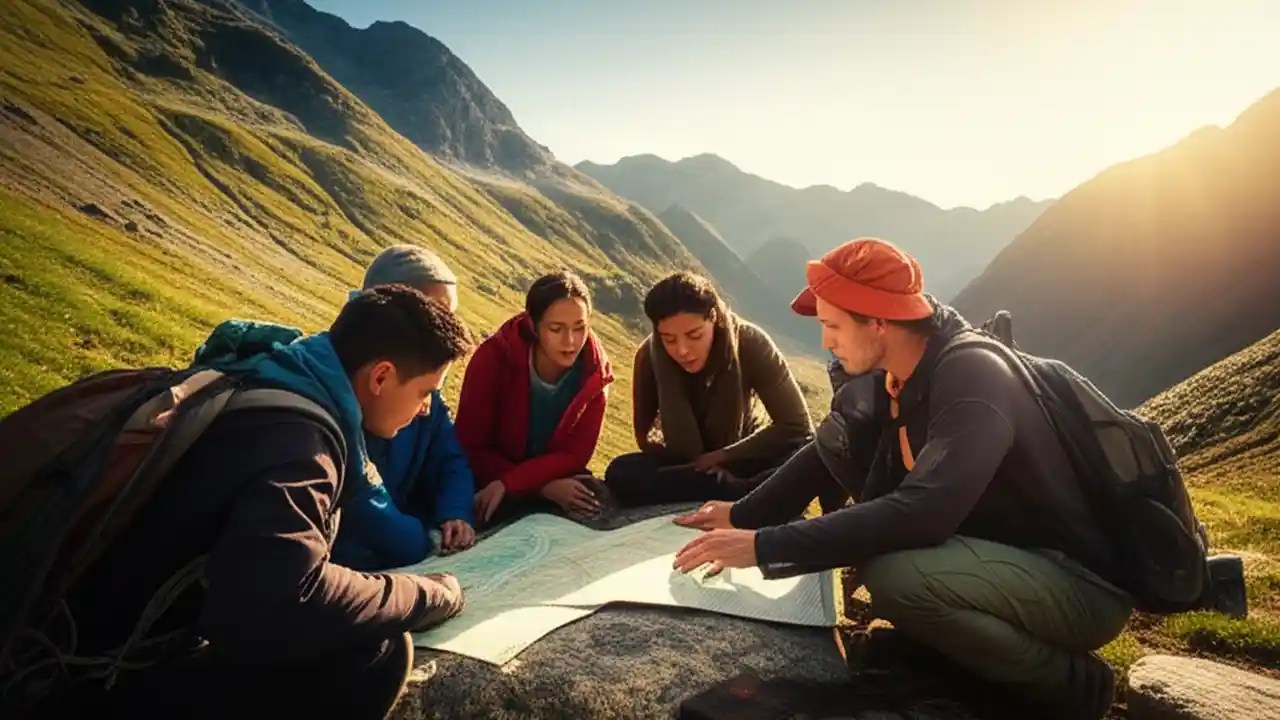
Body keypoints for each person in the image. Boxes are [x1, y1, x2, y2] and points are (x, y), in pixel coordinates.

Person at [671, 238, 1133, 720]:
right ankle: (968, 657)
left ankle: (1072, 684)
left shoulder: (973, 376)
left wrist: (764, 546)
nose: (825, 340)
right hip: (1008, 562)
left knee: (894, 575)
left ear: (879, 322)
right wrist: (740, 516)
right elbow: (824, 451)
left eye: (832, 325)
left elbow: (925, 513)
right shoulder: (895, 377)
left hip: (1077, 584)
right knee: (893, 565)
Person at [24, 286, 474, 720]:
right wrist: (427, 594)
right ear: (380, 376)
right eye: (424, 393)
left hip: (57, 633)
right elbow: (283, 602)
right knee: (374, 651)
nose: (424, 410)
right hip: (84, 678)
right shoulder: (300, 445)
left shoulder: (265, 376)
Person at [604, 272, 813, 506]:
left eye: (694, 335)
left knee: (806, 453)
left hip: (745, 455)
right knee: (621, 472)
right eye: (669, 340)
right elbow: (646, 436)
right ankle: (741, 493)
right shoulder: (650, 357)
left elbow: (796, 426)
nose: (682, 350)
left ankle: (737, 489)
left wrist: (723, 457)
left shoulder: (751, 343)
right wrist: (694, 464)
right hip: (688, 467)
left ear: (713, 318)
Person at [330, 245, 478, 570]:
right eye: (436, 312)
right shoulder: (345, 391)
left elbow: (449, 459)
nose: (445, 327)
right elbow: (365, 511)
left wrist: (454, 512)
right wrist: (425, 540)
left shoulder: (421, 389)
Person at [454, 271, 613, 525]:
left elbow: (575, 454)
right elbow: (470, 444)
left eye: (579, 327)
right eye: (556, 329)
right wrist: (537, 487)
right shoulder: (494, 357)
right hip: (492, 474)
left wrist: (523, 483)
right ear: (534, 325)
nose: (570, 341)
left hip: (550, 475)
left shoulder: (594, 371)